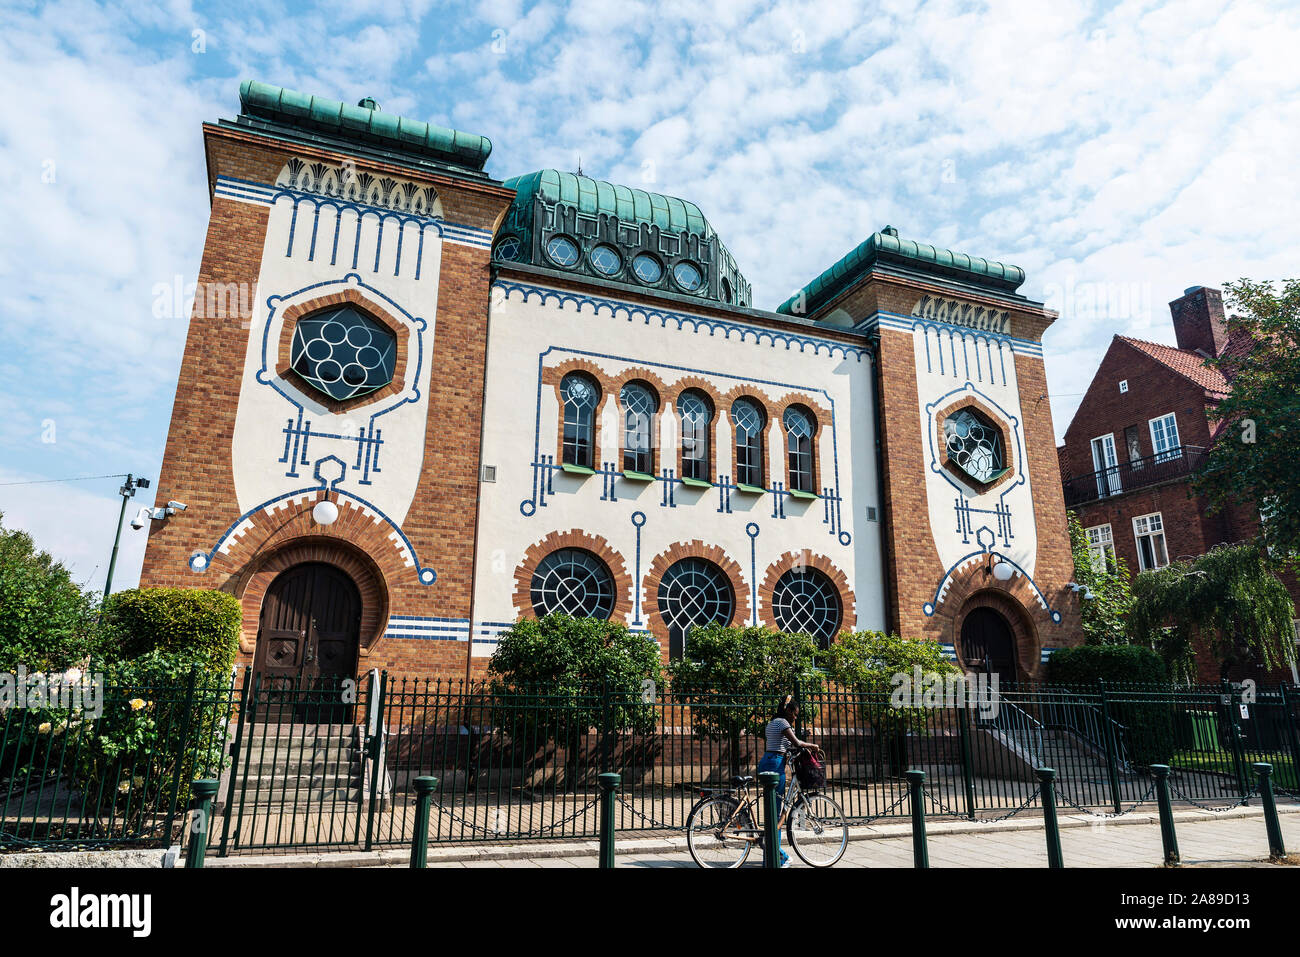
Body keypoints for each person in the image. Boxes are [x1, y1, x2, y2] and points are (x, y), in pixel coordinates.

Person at [758, 694, 823, 868]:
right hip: (775, 764)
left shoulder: (772, 723)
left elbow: (786, 744)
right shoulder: (782, 723)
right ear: (787, 710)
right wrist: (812, 746)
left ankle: (770, 855)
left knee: (772, 809)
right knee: (777, 812)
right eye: (794, 713)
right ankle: (778, 856)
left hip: (766, 761)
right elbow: (796, 743)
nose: (795, 717)